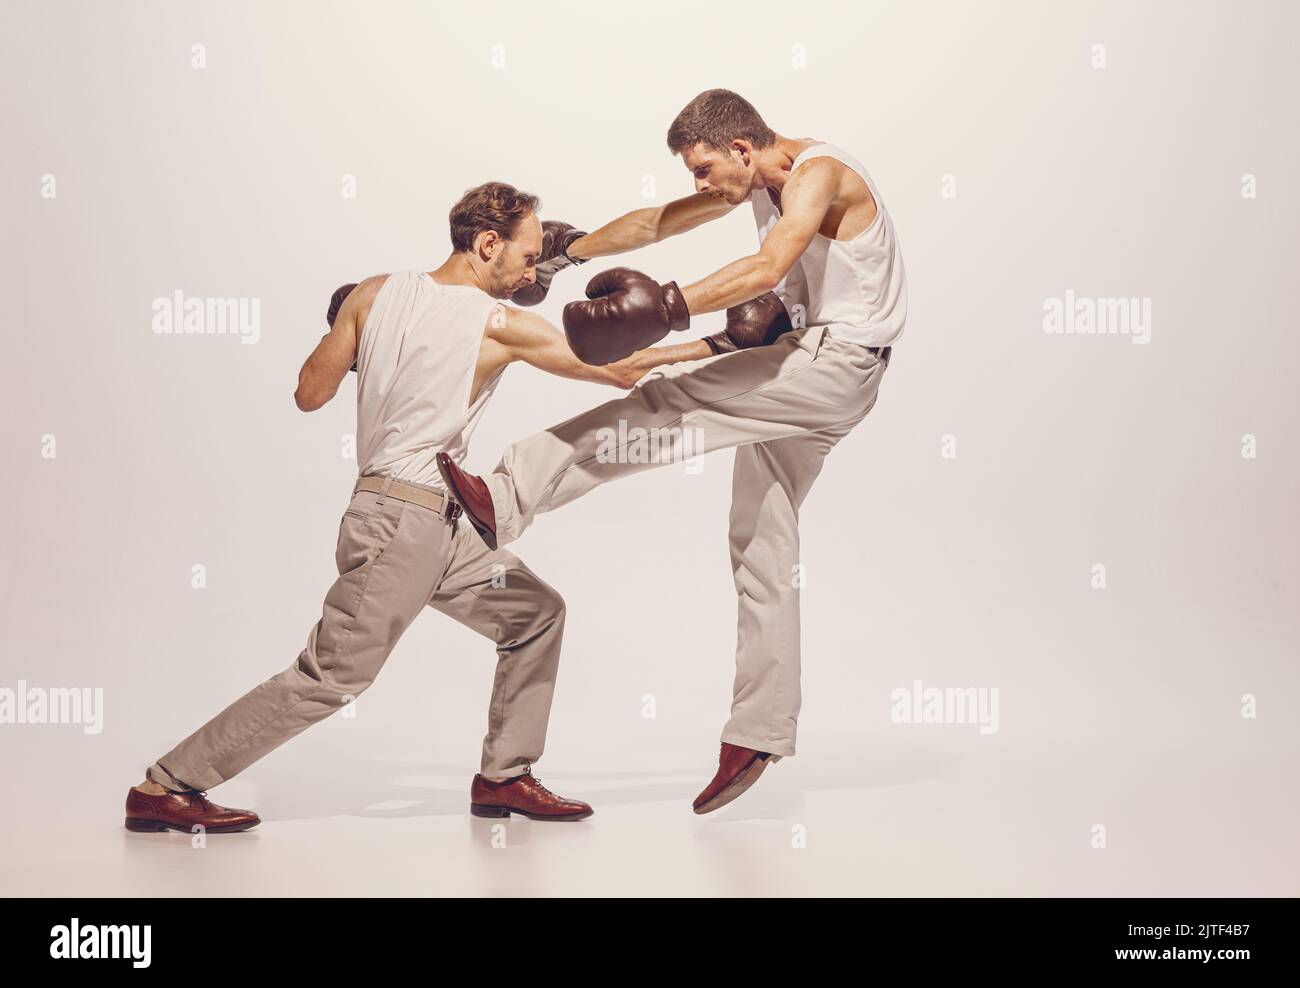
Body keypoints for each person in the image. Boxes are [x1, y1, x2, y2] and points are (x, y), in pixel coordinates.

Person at [124, 180, 770, 833]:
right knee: (334, 674)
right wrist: (719, 343)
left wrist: (355, 333)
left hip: (434, 520)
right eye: (526, 253)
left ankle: (504, 778)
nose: (531, 268)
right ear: (487, 243)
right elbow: (619, 373)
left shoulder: (375, 293)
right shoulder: (502, 325)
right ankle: (169, 784)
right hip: (405, 524)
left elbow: (309, 392)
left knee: (535, 614)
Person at [438, 89, 908, 815]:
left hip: (833, 363)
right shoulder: (758, 181)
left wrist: (663, 311)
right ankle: (760, 729)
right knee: (761, 538)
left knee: (668, 410)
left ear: (743, 149)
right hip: (823, 375)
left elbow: (764, 268)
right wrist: (577, 254)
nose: (699, 184)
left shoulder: (817, 176)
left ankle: (508, 495)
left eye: (703, 168)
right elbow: (660, 225)